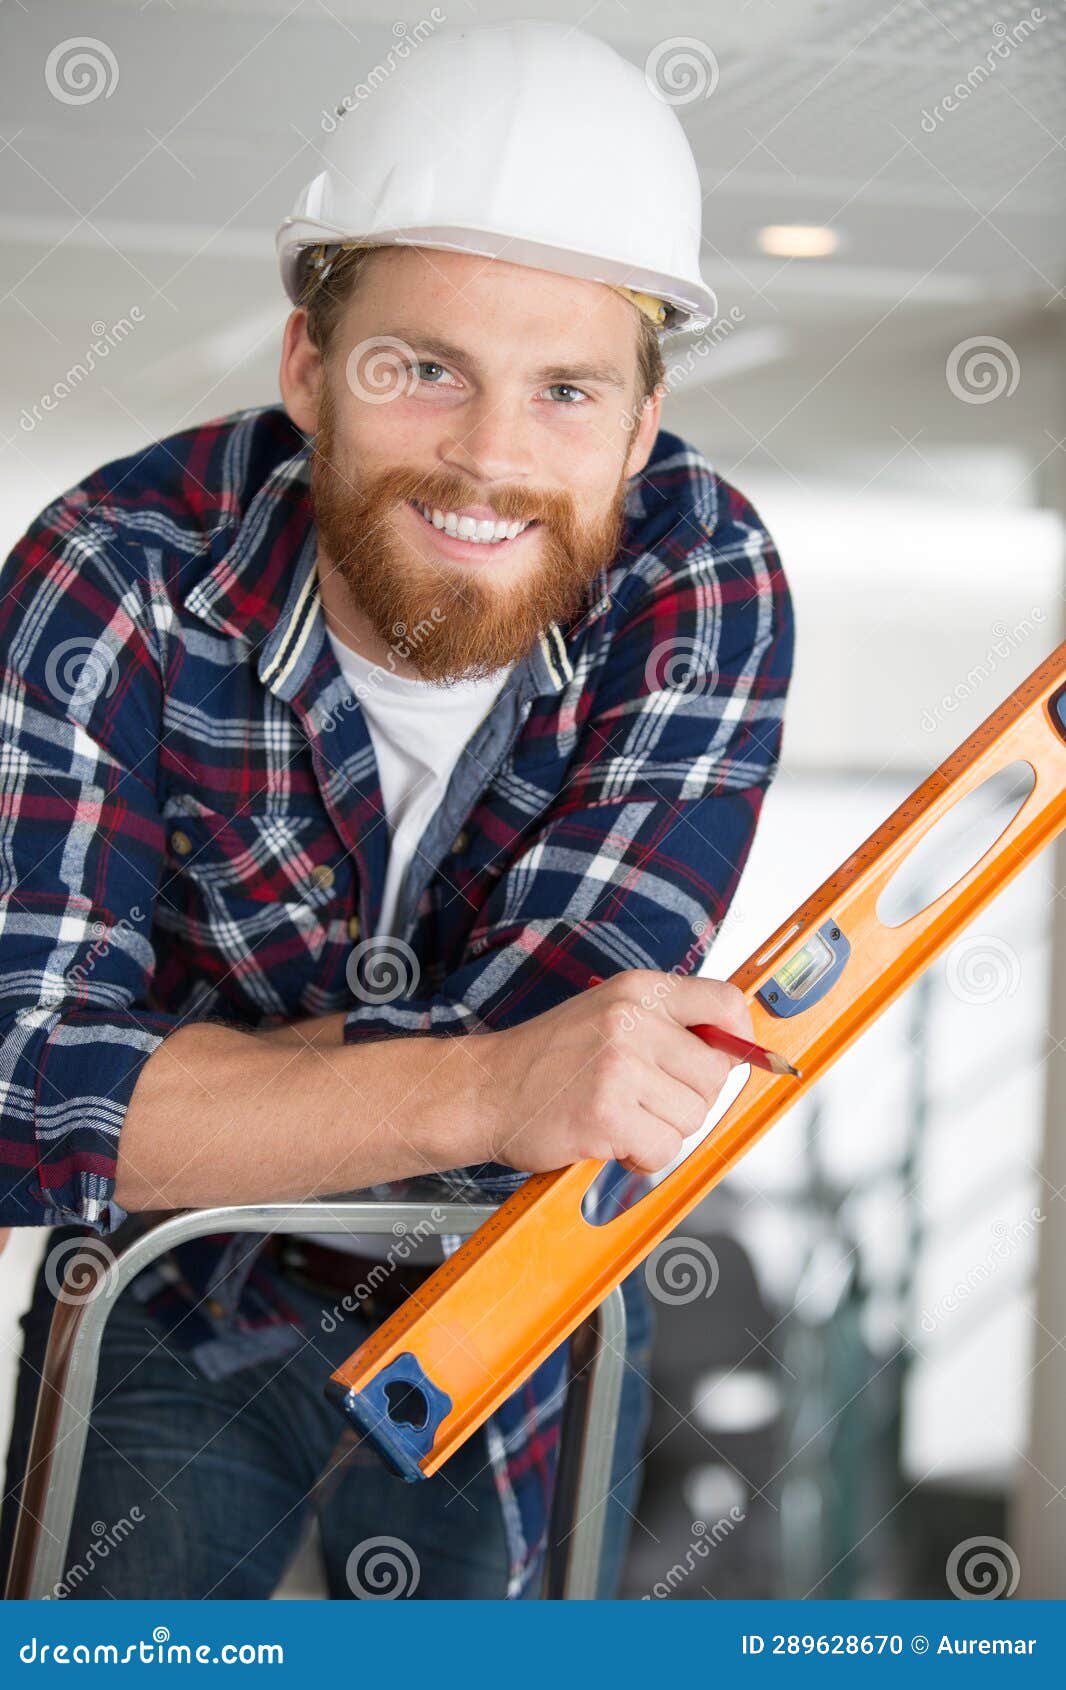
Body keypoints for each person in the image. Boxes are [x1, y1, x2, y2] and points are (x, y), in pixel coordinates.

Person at [0, 20, 793, 1599]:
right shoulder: (113, 572)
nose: (490, 458)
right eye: (423, 368)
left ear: (640, 429)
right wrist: (489, 1081)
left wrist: (181, 1088)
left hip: (521, 1290)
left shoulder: (699, 580)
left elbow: (548, 1103)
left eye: (565, 390)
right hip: (176, 1285)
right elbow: (24, 1102)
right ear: (308, 365)